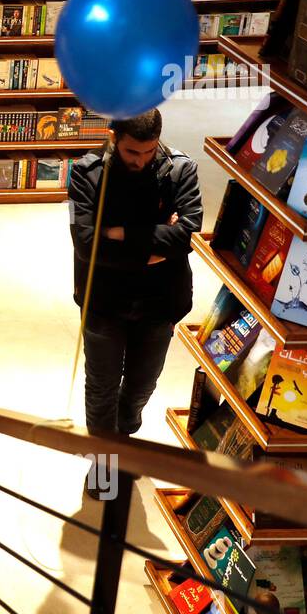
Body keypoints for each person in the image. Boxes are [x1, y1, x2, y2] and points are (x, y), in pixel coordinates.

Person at [68, 109, 202, 466]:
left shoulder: (180, 169)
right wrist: (155, 246)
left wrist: (119, 235)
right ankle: (104, 466)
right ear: (114, 138)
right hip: (103, 300)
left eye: (149, 152)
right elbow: (85, 242)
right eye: (132, 153)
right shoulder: (86, 172)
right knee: (101, 389)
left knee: (143, 385)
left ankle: (122, 436)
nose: (141, 161)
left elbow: (188, 232)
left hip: (161, 301)